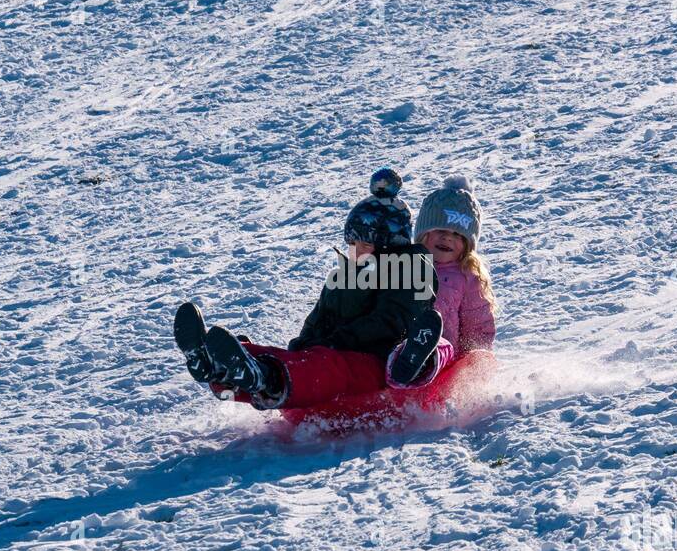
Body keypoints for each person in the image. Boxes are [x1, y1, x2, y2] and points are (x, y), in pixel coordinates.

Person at [173, 169, 441, 410]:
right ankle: (216, 368)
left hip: (377, 365)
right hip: (332, 357)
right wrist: (303, 345)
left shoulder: (411, 267)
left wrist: (335, 341)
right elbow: (318, 318)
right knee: (293, 358)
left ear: (388, 243)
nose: (355, 249)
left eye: (364, 243)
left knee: (325, 364)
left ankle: (262, 376)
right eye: (353, 242)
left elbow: (392, 323)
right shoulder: (346, 273)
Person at [385, 175, 496, 390]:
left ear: (467, 244)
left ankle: (422, 359)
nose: (448, 238)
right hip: (395, 349)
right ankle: (403, 366)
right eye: (441, 231)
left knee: (439, 346)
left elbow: (477, 324)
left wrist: (472, 366)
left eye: (457, 235)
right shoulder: (404, 263)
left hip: (443, 362)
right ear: (423, 233)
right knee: (400, 346)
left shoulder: (467, 275)